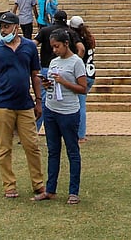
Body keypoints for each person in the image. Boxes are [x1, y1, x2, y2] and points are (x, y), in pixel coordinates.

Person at [0, 12, 46, 199]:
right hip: (2, 103)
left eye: (6, 26)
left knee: (32, 145)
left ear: (16, 27)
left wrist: (38, 100)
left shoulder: (29, 47)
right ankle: (9, 185)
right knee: (5, 147)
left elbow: (35, 75)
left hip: (25, 104)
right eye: (1, 27)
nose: (3, 30)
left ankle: (38, 183)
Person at [33, 27, 87, 205]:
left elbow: (82, 88)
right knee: (53, 151)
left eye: (57, 46)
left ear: (66, 44)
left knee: (72, 151)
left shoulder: (76, 62)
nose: (55, 50)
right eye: (52, 47)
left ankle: (73, 191)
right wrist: (47, 84)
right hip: (51, 109)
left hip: (69, 112)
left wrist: (64, 82)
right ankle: (50, 189)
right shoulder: (54, 62)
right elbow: (52, 84)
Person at [69, 15, 97, 141]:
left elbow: (80, 51)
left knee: (80, 105)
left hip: (82, 74)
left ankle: (80, 135)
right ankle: (78, 133)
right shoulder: (90, 37)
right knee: (81, 103)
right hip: (91, 73)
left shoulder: (77, 41)